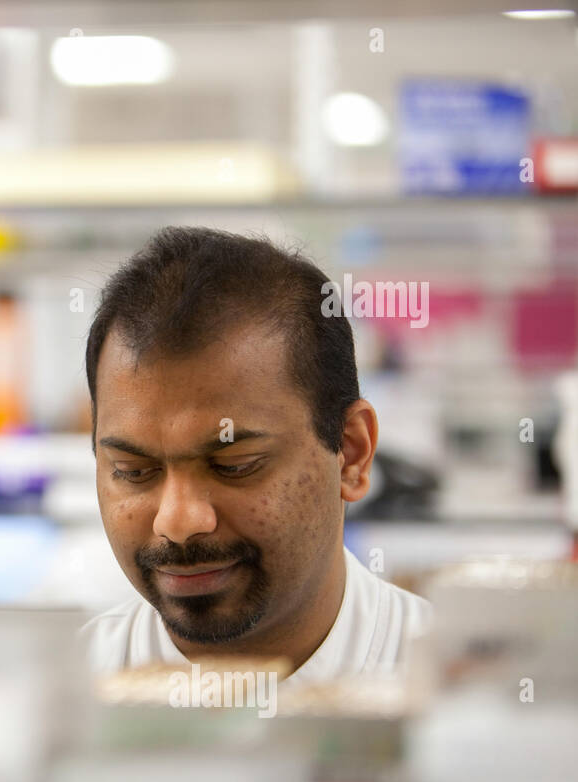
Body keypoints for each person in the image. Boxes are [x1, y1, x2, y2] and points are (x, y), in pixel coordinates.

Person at [81, 226, 431, 686]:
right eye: (134, 472)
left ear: (351, 453)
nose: (178, 521)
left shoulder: (454, 691)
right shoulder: (64, 696)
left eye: (234, 465)